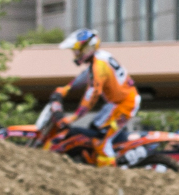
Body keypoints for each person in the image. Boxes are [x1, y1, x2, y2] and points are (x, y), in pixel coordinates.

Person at [44, 28, 139, 167]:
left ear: (87, 48)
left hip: (125, 105)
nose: (75, 54)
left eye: (77, 51)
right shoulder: (100, 57)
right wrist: (66, 88)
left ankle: (111, 177)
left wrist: (74, 117)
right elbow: (86, 75)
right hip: (115, 104)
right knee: (93, 129)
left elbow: (91, 96)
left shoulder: (99, 67)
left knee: (101, 141)